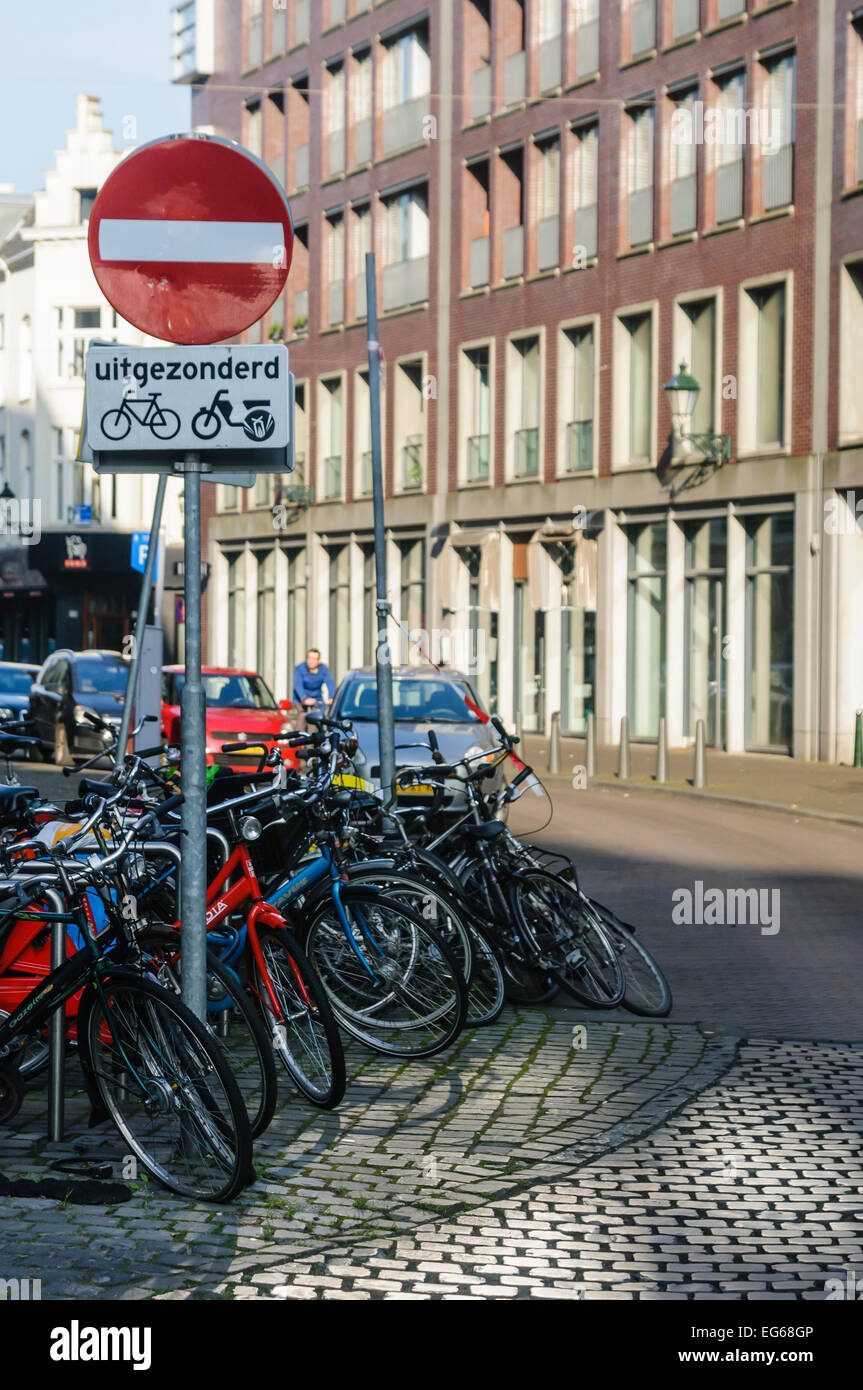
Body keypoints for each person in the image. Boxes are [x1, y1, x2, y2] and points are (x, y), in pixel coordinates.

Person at [292, 648, 335, 713]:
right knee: (302, 715)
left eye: (314, 659)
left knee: (321, 714)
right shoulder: (300, 668)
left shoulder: (324, 669)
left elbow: (330, 683)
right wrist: (304, 698)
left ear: (318, 661)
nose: (311, 661)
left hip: (317, 698)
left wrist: (331, 697)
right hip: (301, 698)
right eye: (309, 658)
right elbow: (298, 685)